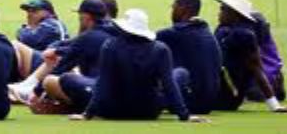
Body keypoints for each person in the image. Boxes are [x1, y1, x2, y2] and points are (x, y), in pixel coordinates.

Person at [71, 9, 207, 123]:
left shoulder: (110, 46)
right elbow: (169, 84)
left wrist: (87, 114)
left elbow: (103, 83)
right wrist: (185, 115)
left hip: (113, 110)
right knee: (180, 73)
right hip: (149, 110)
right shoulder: (160, 49)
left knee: (70, 79)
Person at [30, 0, 119, 113]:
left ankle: (74, 107)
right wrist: (57, 50)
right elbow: (70, 45)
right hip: (121, 92)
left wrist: (36, 92)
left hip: (98, 90)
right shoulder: (118, 33)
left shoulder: (88, 37)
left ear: (86, 16)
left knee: (50, 81)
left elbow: (62, 66)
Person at [212, 0, 287, 114]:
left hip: (224, 98)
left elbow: (257, 69)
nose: (219, 12)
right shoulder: (223, 29)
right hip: (216, 90)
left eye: (223, 9)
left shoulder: (245, 36)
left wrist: (274, 106)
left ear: (235, 14)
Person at [156, 0, 222, 115]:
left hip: (189, 102)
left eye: (173, 7)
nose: (172, 11)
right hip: (210, 103)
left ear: (183, 8)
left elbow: (143, 44)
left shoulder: (171, 34)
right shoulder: (207, 33)